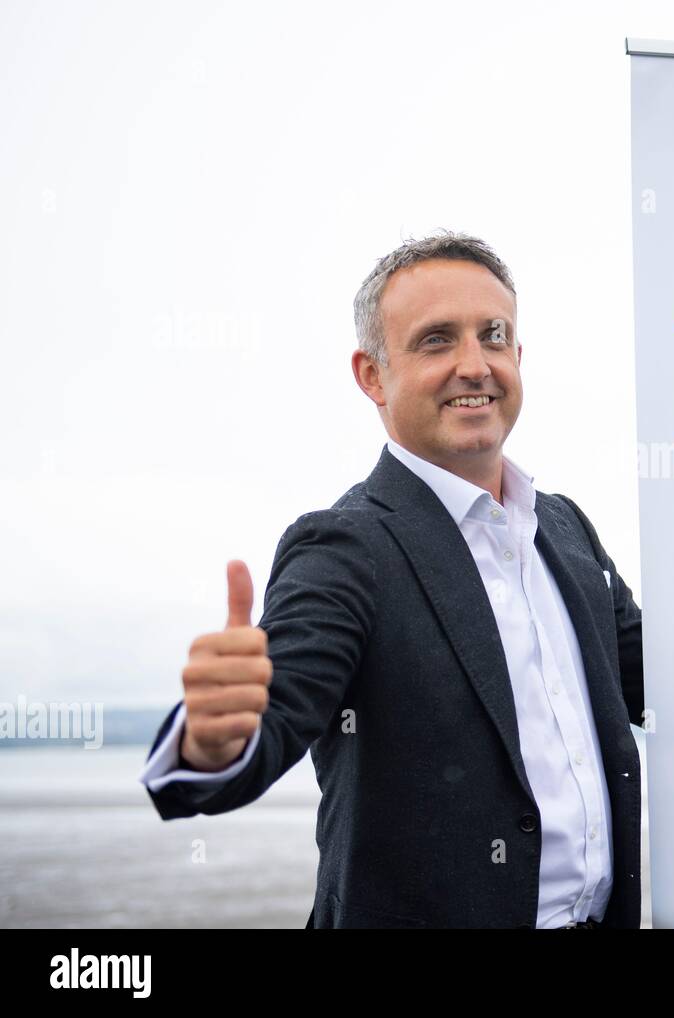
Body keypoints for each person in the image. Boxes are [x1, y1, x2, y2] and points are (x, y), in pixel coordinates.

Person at [137, 231, 645, 929]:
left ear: (518, 356)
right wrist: (215, 742)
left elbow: (665, 688)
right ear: (372, 375)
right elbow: (277, 712)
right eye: (437, 341)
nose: (475, 364)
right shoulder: (344, 547)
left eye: (493, 336)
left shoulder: (565, 529)